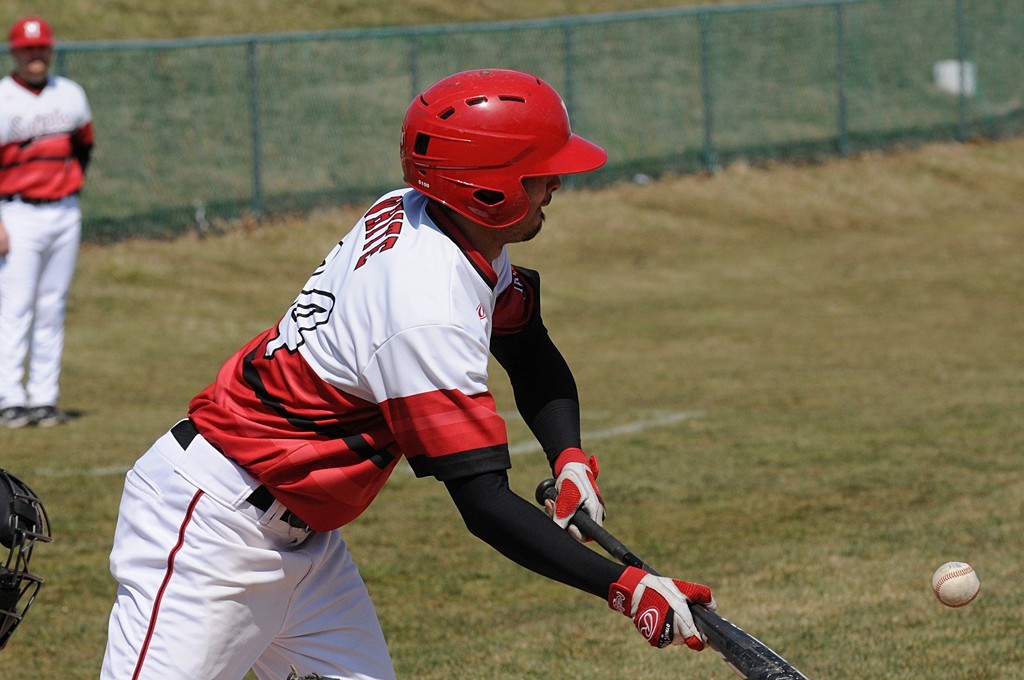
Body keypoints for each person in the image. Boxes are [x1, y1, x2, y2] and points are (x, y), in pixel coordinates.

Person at [101, 69, 715, 679]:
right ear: (487, 187)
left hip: (301, 538)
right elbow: (484, 503)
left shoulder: (426, 216)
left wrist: (569, 458)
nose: (556, 184)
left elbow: (525, 344)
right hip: (212, 530)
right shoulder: (426, 308)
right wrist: (625, 586)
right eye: (539, 172)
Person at [0, 16, 94, 428]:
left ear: (49, 49)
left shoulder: (70, 94)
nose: (35, 55)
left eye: (41, 47)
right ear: (15, 52)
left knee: (52, 305)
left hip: (63, 210)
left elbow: (84, 146)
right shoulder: (2, 98)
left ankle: (43, 396)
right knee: (14, 307)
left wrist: (69, 189)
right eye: (27, 48)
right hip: (16, 212)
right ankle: (9, 397)